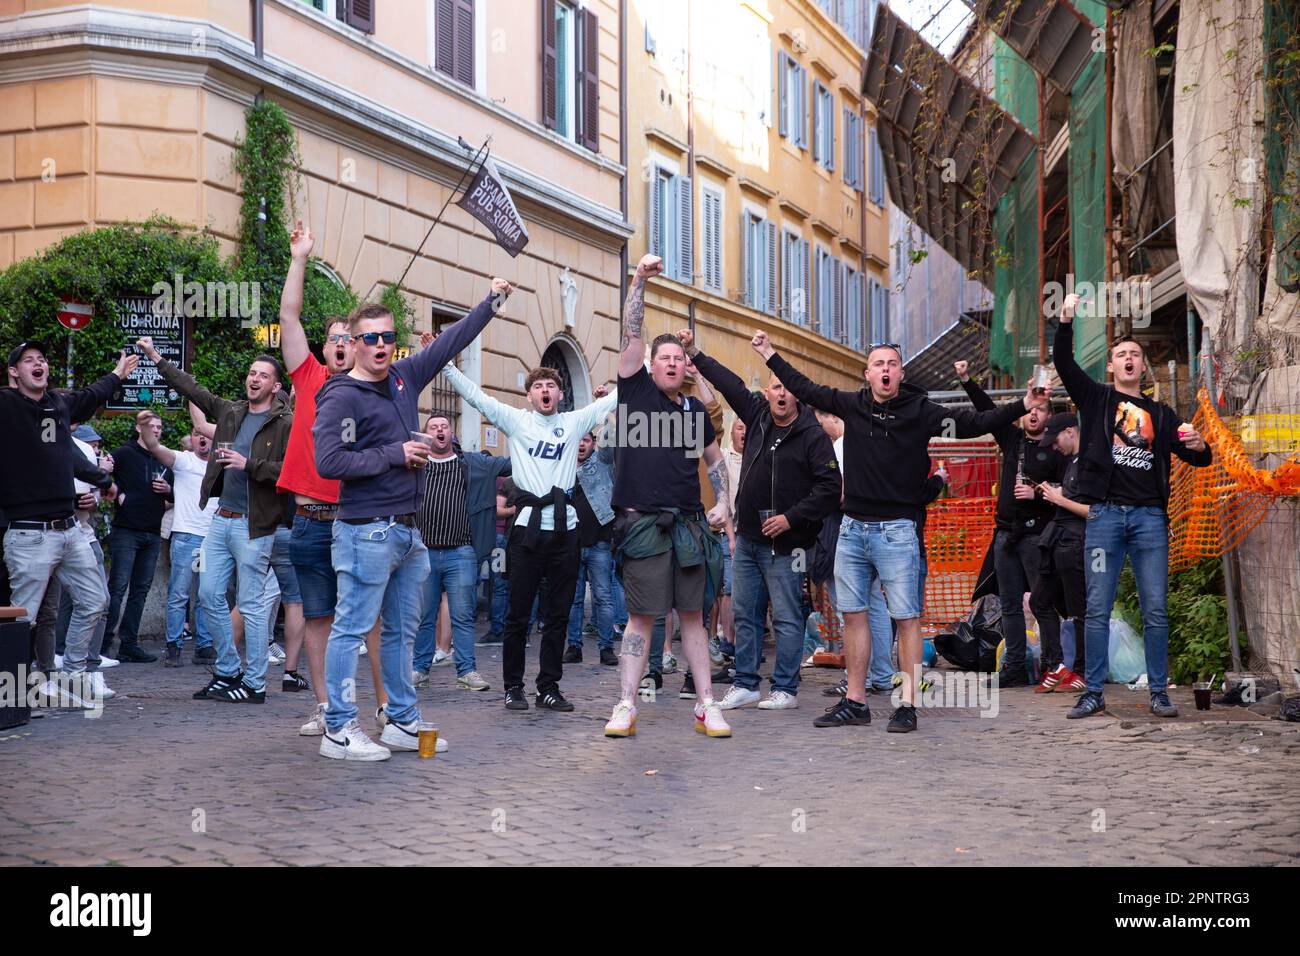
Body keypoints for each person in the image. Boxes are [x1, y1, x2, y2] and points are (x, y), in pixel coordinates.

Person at [753, 331, 1049, 732]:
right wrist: (770, 352)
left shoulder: (921, 410)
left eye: (892, 364)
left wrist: (1023, 405)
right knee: (853, 615)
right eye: (879, 364)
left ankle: (907, 704)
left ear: (901, 372)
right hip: (853, 529)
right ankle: (855, 701)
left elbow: (974, 422)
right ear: (868, 373)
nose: (886, 370)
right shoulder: (852, 405)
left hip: (898, 531)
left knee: (907, 617)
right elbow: (807, 387)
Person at [313, 279, 510, 760]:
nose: (381, 346)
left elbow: (449, 342)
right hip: (365, 530)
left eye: (387, 337)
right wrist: (393, 454)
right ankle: (337, 729)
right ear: (354, 344)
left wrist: (490, 303)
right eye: (371, 338)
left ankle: (400, 720)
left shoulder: (403, 378)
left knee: (402, 631)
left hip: (407, 531)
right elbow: (330, 462)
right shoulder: (342, 397)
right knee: (350, 629)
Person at [1053, 293, 1213, 719]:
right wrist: (1066, 319)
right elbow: (1065, 364)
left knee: (1155, 607)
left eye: (1135, 355)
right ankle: (1093, 693)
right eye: (1121, 354)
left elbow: (1196, 454)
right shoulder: (1096, 400)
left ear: (1143, 367)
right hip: (1104, 517)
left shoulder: (1161, 415)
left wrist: (1201, 445)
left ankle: (1158, 692)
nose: (1128, 359)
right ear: (1111, 366)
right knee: (1098, 607)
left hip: (1148, 522)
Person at [603, 254, 732, 739]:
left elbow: (716, 463)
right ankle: (625, 704)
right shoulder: (634, 390)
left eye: (679, 358)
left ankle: (706, 703)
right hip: (642, 526)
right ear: (650, 366)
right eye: (665, 359)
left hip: (689, 527)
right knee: (640, 620)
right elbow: (631, 330)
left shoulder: (696, 412)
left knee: (694, 619)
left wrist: (724, 502)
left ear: (685, 367)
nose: (672, 363)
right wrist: (638, 279)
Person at [442, 359, 618, 712]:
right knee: (518, 613)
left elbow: (612, 401)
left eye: (550, 386)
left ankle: (549, 686)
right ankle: (513, 686)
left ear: (560, 394)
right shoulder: (517, 420)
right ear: (529, 396)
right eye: (538, 387)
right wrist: (447, 367)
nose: (545, 391)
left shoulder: (573, 423)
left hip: (566, 530)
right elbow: (477, 398)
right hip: (526, 530)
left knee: (558, 613)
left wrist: (641, 366)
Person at [681, 329, 840, 711]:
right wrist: (696, 354)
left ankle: (784, 687)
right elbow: (729, 383)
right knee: (744, 614)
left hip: (788, 544)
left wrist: (791, 518)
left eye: (787, 388)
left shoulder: (812, 436)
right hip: (749, 538)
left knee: (786, 617)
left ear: (796, 394)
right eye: (774, 387)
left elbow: (830, 488)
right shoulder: (756, 415)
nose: (781, 394)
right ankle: (747, 682)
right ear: (766, 392)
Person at [138, 336, 293, 704]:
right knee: (208, 596)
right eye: (251, 373)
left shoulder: (286, 423)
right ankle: (227, 671)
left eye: (263, 375)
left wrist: (248, 464)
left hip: (255, 527)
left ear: (275, 386)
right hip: (220, 520)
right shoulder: (231, 412)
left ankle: (255, 683)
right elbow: (191, 386)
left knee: (252, 605)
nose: (254, 379)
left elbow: (292, 472)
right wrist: (155, 356)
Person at [2, 341, 137, 704]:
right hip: (29, 533)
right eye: (28, 361)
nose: (38, 364)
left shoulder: (56, 407)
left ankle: (72, 677)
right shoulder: (6, 404)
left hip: (70, 530)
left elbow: (89, 398)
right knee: (22, 619)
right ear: (14, 372)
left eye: (42, 359)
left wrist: (117, 375)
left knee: (95, 600)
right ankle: (11, 692)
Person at [957, 359, 1065, 687]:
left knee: (1043, 604)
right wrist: (965, 379)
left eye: (1042, 410)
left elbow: (1069, 490)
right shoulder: (1012, 439)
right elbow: (987, 409)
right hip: (1006, 535)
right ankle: (1014, 667)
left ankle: (1053, 667)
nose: (1034, 415)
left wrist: (1037, 495)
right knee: (1009, 606)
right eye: (1032, 409)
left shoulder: (1056, 447)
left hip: (1037, 535)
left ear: (1049, 416)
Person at [411, 413, 511, 692]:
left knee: (463, 615)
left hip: (461, 552)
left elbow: (510, 464)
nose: (440, 430)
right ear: (426, 434)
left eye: (444, 426)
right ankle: (420, 670)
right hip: (424, 553)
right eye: (434, 427)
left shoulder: (473, 463)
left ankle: (467, 671)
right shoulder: (415, 465)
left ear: (451, 433)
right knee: (424, 616)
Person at [138, 421, 219, 666]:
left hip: (212, 538)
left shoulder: (223, 465)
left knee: (207, 595)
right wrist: (147, 431)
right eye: (197, 434)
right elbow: (155, 448)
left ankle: (204, 646)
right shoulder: (183, 461)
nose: (202, 439)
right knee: (179, 593)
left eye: (206, 435)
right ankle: (174, 645)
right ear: (191, 440)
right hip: (186, 536)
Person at [101, 410, 172, 663]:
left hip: (152, 533)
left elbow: (174, 497)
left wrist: (168, 489)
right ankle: (103, 644)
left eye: (159, 427)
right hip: (126, 531)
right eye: (151, 426)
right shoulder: (125, 452)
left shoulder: (162, 458)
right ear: (139, 428)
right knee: (117, 588)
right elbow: (100, 470)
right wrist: (115, 490)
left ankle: (128, 644)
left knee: (140, 591)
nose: (156, 430)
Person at [1034, 412, 1088, 692]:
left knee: (1079, 610)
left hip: (1076, 543)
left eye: (1055, 441)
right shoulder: (1071, 462)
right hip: (1058, 541)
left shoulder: (1089, 462)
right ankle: (1056, 665)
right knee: (1039, 601)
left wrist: (1059, 499)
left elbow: (1096, 511)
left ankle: (1081, 671)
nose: (1054, 448)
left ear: (1070, 431)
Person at [564, 429, 618, 666]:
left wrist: (603, 410)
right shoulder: (562, 467)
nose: (580, 445)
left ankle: (606, 648)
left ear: (592, 444)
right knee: (573, 600)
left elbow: (612, 440)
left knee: (603, 599)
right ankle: (573, 647)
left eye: (585, 440)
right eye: (577, 441)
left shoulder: (602, 462)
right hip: (571, 545)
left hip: (599, 544)